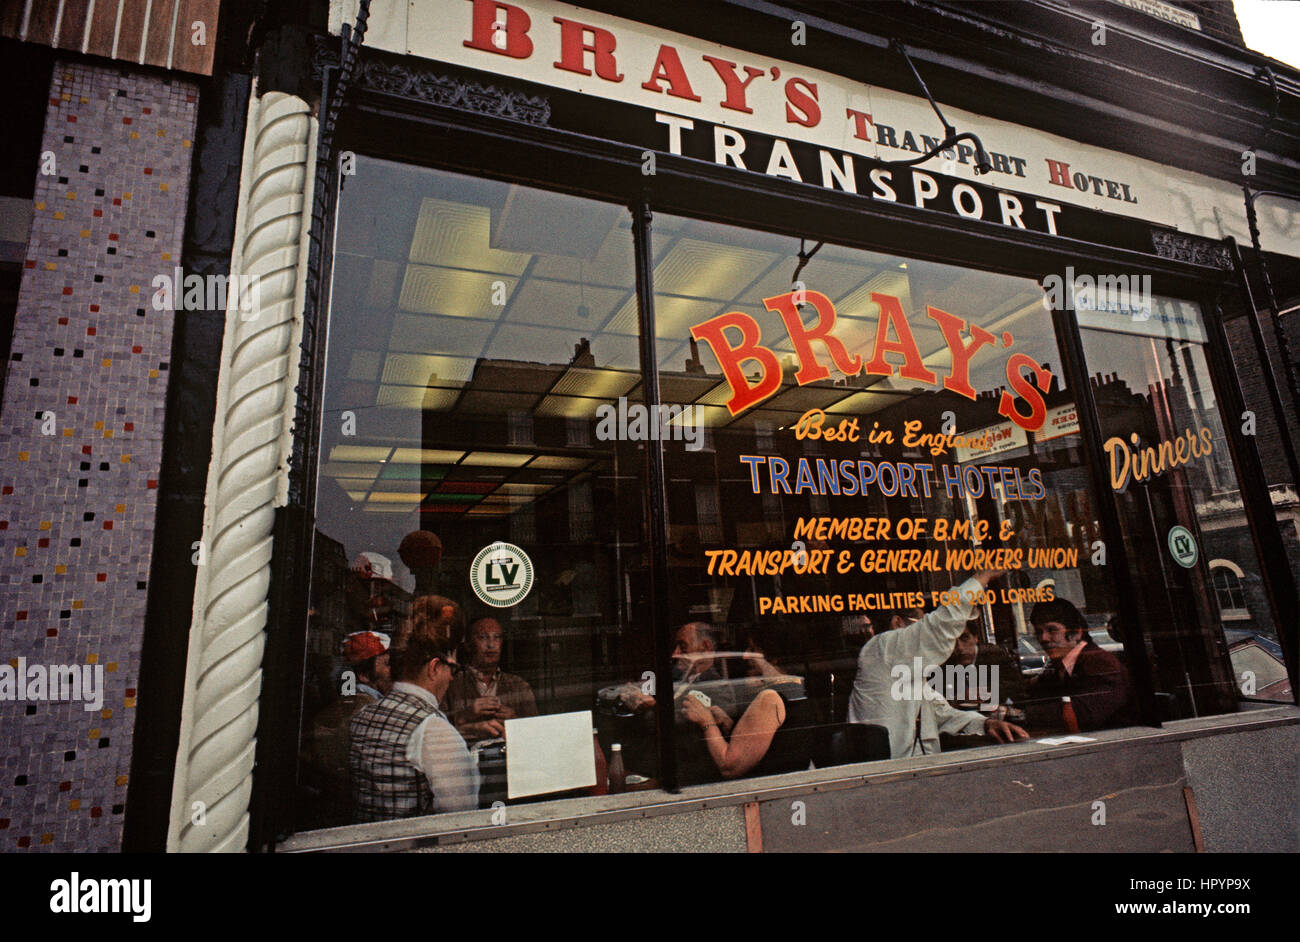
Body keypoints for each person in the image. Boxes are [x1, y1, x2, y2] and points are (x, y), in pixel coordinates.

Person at [848, 570, 1028, 758]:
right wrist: (981, 578)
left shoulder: (906, 671)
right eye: (919, 623)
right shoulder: (882, 646)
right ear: (897, 623)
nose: (923, 629)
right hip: (884, 774)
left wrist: (985, 723)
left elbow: (940, 713)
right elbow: (939, 628)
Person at [349, 635, 479, 821]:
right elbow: (461, 816)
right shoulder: (433, 728)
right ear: (434, 667)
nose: (452, 678)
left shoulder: (363, 715)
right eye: (453, 669)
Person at [681, 624, 814, 779]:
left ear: (773, 659)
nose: (745, 656)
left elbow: (729, 766)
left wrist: (707, 722)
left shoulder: (770, 698)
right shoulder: (794, 688)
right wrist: (730, 726)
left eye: (752, 650)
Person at [301, 630, 393, 821]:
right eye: (386, 664)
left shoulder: (349, 702)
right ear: (364, 676)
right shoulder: (369, 709)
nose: (393, 671)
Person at [1022, 598, 1137, 732]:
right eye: (1039, 632)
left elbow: (1083, 714)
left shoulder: (1100, 662)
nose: (1044, 638)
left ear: (1076, 632)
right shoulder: (1062, 666)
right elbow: (1035, 689)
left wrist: (1019, 715)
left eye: (1052, 630)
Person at [445, 617, 539, 743]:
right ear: (468, 645)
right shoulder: (450, 684)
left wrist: (514, 719)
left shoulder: (518, 685)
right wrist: (465, 715)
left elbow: (537, 732)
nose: (491, 644)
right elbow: (434, 731)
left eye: (497, 637)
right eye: (483, 637)